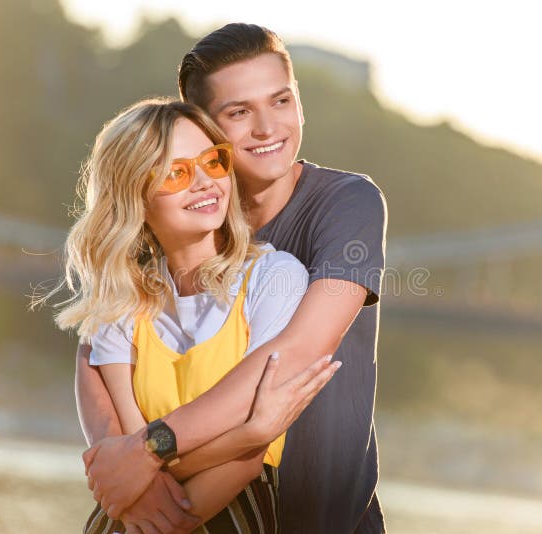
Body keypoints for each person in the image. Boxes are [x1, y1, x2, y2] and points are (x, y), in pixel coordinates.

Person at [80, 23, 388, 533]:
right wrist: (116, 462)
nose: (269, 128)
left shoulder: (346, 203)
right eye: (240, 112)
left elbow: (296, 352)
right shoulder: (185, 214)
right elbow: (98, 345)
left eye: (282, 101)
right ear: (204, 125)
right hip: (198, 506)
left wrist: (145, 453)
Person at [36, 97, 340, 533]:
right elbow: (125, 454)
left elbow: (248, 460)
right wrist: (245, 435)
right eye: (177, 172)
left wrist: (245, 442)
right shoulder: (124, 299)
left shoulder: (274, 278)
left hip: (225, 514)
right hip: (129, 520)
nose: (204, 182)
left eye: (213, 162)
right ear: (134, 195)